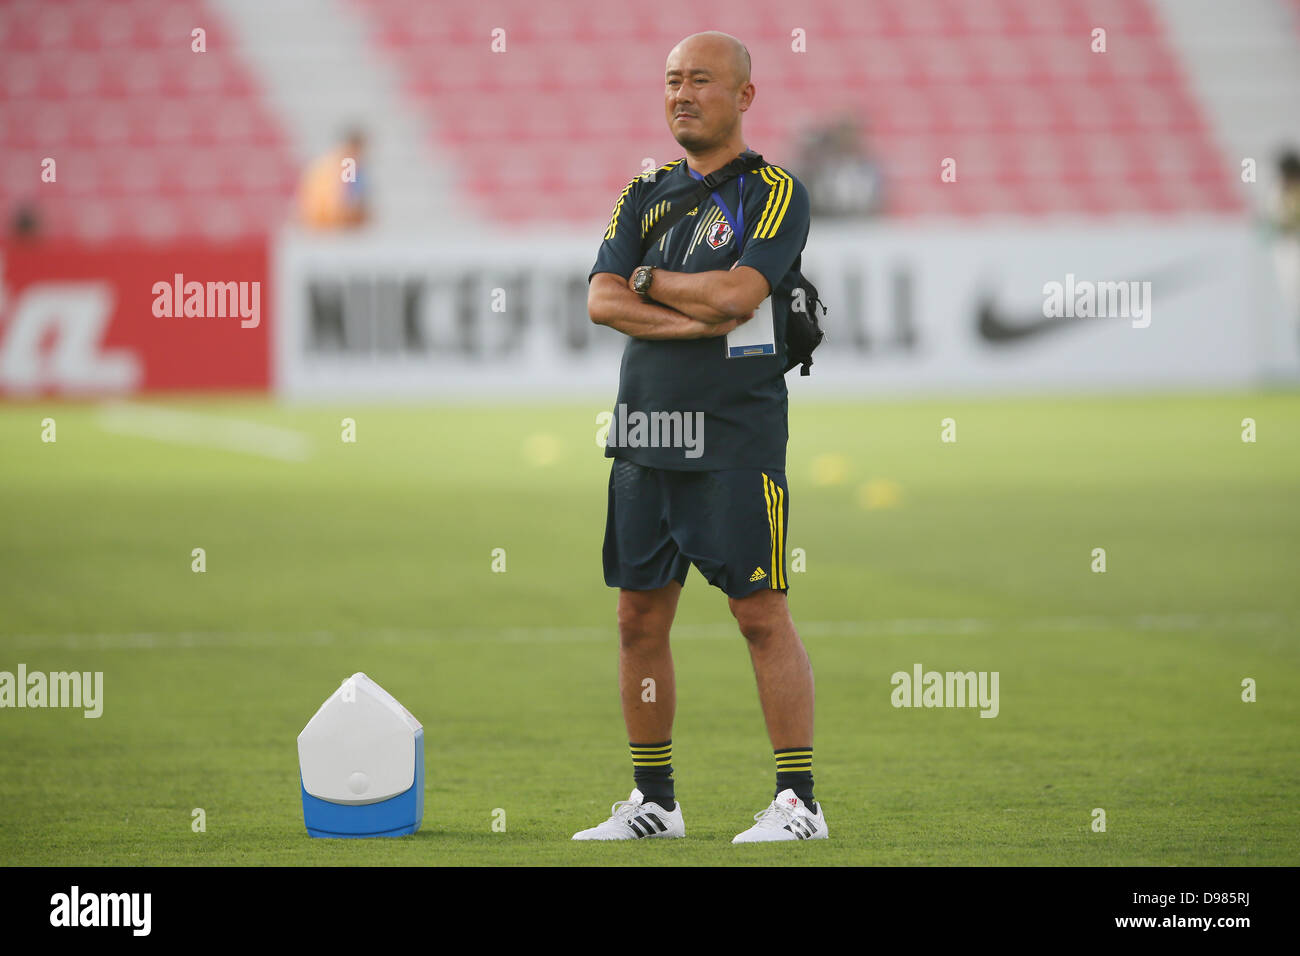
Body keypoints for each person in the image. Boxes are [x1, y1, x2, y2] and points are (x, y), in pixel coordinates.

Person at [576, 31, 824, 843]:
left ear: (744, 96)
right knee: (637, 621)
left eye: (702, 81)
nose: (682, 94)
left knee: (760, 614)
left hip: (734, 435)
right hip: (645, 430)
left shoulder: (774, 191)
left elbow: (739, 293)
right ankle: (656, 801)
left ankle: (799, 804)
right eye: (672, 81)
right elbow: (601, 301)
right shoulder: (641, 193)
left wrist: (651, 280)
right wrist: (688, 316)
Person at [297, 127, 369, 230]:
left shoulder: (338, 161)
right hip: (325, 219)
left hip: (323, 219)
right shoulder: (345, 163)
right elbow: (343, 200)